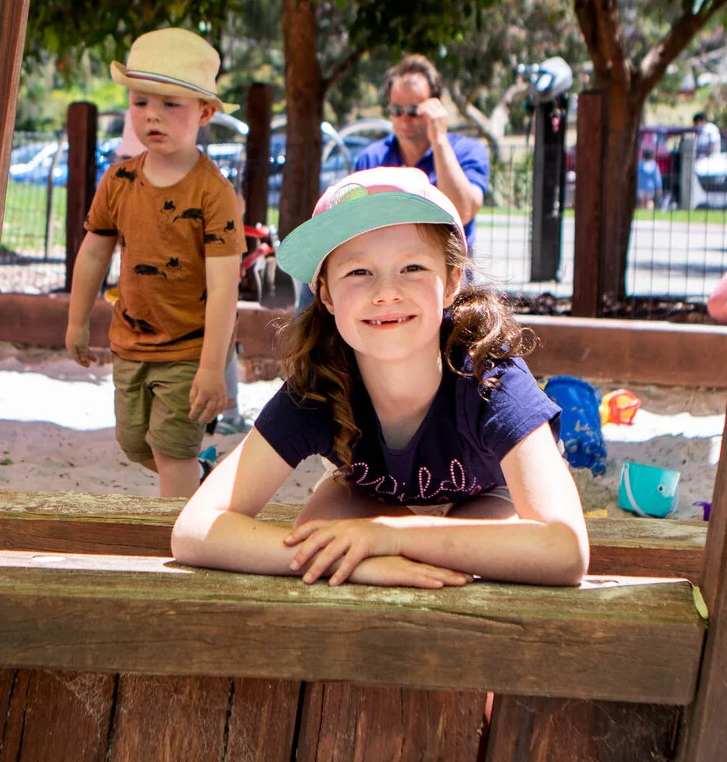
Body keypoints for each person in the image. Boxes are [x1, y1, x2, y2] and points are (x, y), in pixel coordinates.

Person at [173, 167, 588, 587]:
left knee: (480, 566)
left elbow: (565, 548)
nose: (386, 292)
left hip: (486, 497)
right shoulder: (321, 381)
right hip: (369, 499)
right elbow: (195, 529)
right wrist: (364, 560)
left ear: (451, 283)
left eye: (412, 267)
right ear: (326, 294)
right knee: (325, 540)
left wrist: (391, 537)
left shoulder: (487, 371)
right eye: (359, 272)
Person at [65, 28, 242, 500]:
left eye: (170, 104)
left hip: (190, 350)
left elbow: (225, 287)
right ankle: (201, 477)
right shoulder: (118, 180)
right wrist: (78, 321)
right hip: (131, 341)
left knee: (171, 451)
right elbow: (94, 252)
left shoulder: (214, 193)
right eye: (141, 102)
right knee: (135, 443)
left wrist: (211, 369)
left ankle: (177, 547)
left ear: (204, 112)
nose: (152, 116)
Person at [350, 54, 490, 245]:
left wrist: (439, 140)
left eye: (414, 110)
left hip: (449, 272)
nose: (405, 118)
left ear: (436, 105)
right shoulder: (371, 160)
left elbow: (462, 212)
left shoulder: (467, 151)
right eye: (397, 111)